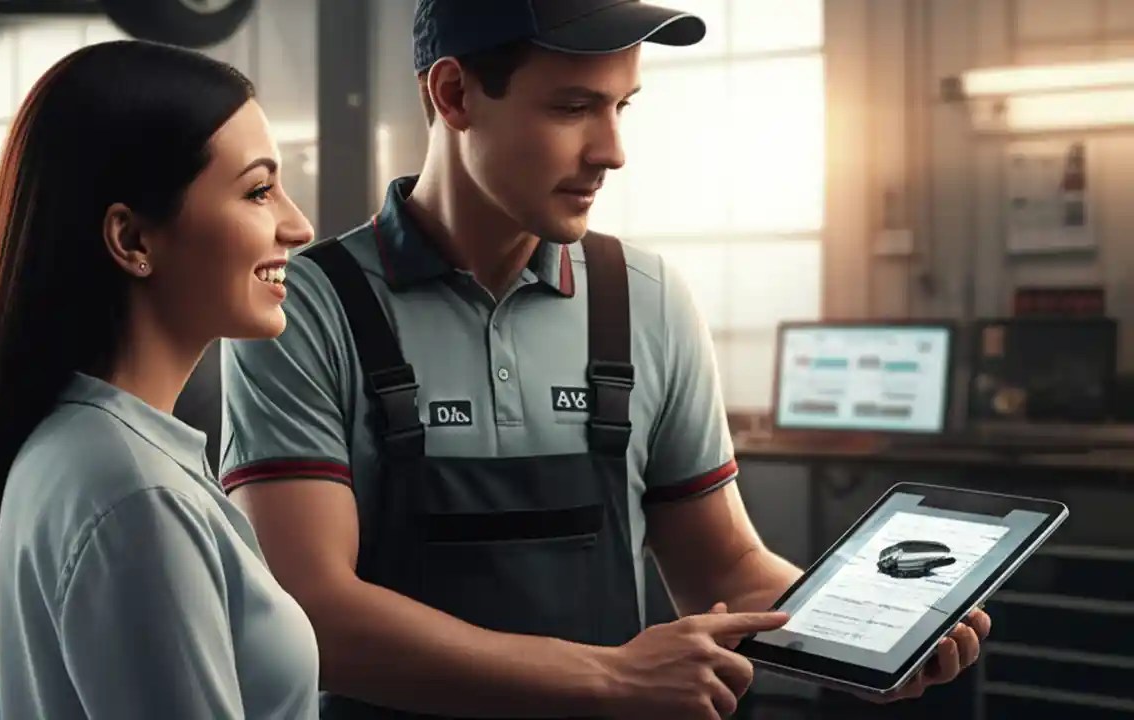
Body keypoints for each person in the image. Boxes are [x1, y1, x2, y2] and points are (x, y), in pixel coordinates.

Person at [219, 2, 991, 718]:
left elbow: (721, 566)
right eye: (573, 107)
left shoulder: (646, 298)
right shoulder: (306, 308)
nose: (612, 152)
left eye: (622, 107)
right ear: (454, 95)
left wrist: (862, 637)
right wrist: (611, 676)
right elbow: (307, 607)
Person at [0, 40, 317, 719]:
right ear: (134, 241)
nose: (299, 225)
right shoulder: (135, 495)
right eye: (259, 190)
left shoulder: (83, 449)